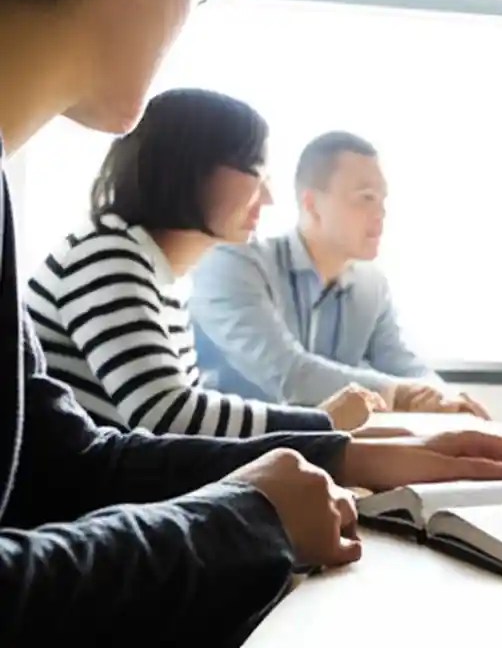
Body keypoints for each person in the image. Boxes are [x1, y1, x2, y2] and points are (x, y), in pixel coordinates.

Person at [0, 0, 502, 644]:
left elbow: (65, 462)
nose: (267, 196)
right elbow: (160, 414)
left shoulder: (135, 262)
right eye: (255, 170)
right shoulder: (114, 257)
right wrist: (253, 512)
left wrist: (350, 452)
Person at [26, 88, 378, 436]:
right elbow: (169, 415)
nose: (268, 196)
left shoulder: (158, 273)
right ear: (189, 167)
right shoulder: (107, 256)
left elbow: (179, 428)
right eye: (255, 171)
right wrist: (319, 421)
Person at [189, 130, 488, 418]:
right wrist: (402, 394)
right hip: (240, 445)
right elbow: (290, 374)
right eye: (366, 198)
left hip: (328, 444)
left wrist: (445, 397)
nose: (381, 213)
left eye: (383, 200)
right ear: (312, 205)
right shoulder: (234, 261)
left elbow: (401, 362)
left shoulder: (372, 285)